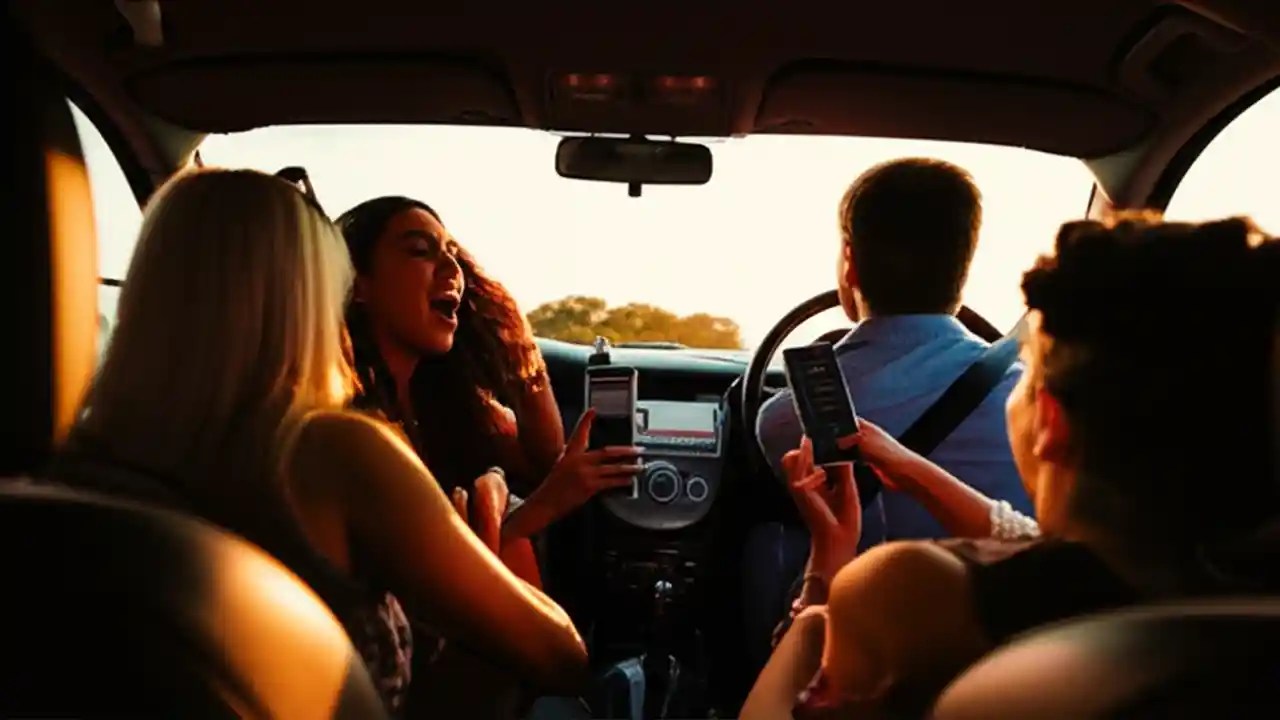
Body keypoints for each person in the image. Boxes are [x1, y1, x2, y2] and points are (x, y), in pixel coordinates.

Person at [56, 169, 589, 716]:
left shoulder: (70, 464)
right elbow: (563, 656)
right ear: (315, 291)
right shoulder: (335, 450)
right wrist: (494, 529)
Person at [742, 212, 1279, 719]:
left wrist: (824, 575)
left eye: (1025, 376)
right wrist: (912, 468)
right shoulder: (1240, 595)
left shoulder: (909, 595)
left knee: (809, 623)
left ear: (1051, 422)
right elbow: (1036, 541)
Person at [745, 158, 1034, 660]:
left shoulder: (784, 421)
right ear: (962, 270)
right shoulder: (1033, 409)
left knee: (770, 536)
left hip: (854, 656)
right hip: (997, 656)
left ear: (850, 262)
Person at [337, 196, 644, 566]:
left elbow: (544, 460)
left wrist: (511, 336)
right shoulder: (351, 425)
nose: (452, 270)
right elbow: (419, 580)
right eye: (421, 251)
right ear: (357, 283)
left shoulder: (445, 403)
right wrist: (542, 508)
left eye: (453, 256)